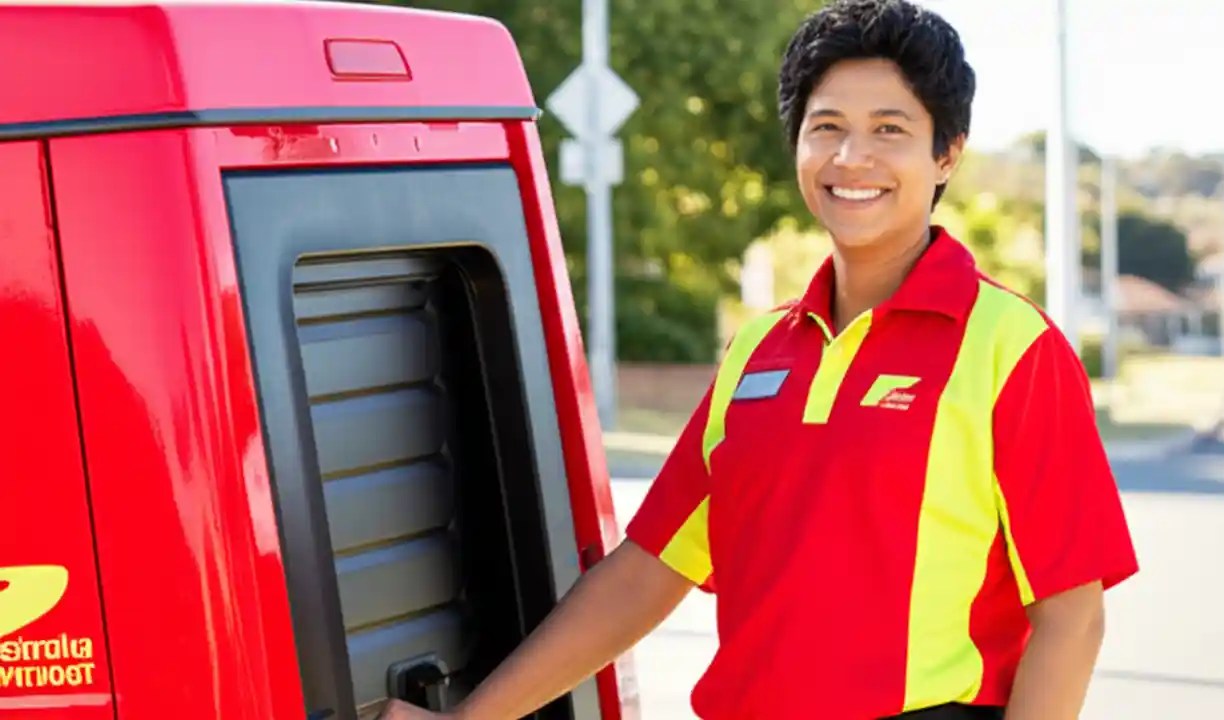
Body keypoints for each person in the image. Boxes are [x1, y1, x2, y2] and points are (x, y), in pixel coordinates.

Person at [381, 0, 1138, 718]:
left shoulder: (1011, 346)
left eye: (889, 129)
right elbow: (648, 571)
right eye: (827, 126)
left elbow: (1073, 620)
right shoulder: (758, 350)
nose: (852, 157)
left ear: (947, 155)